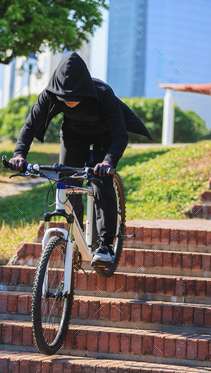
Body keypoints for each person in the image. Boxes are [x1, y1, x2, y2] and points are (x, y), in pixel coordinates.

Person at [9, 52, 153, 266]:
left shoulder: (103, 94)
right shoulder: (50, 94)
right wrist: (19, 154)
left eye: (75, 95)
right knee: (67, 182)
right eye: (64, 96)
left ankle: (105, 244)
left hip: (104, 136)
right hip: (74, 136)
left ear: (85, 87)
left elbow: (120, 135)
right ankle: (78, 235)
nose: (69, 99)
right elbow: (30, 125)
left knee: (100, 180)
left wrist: (108, 162)